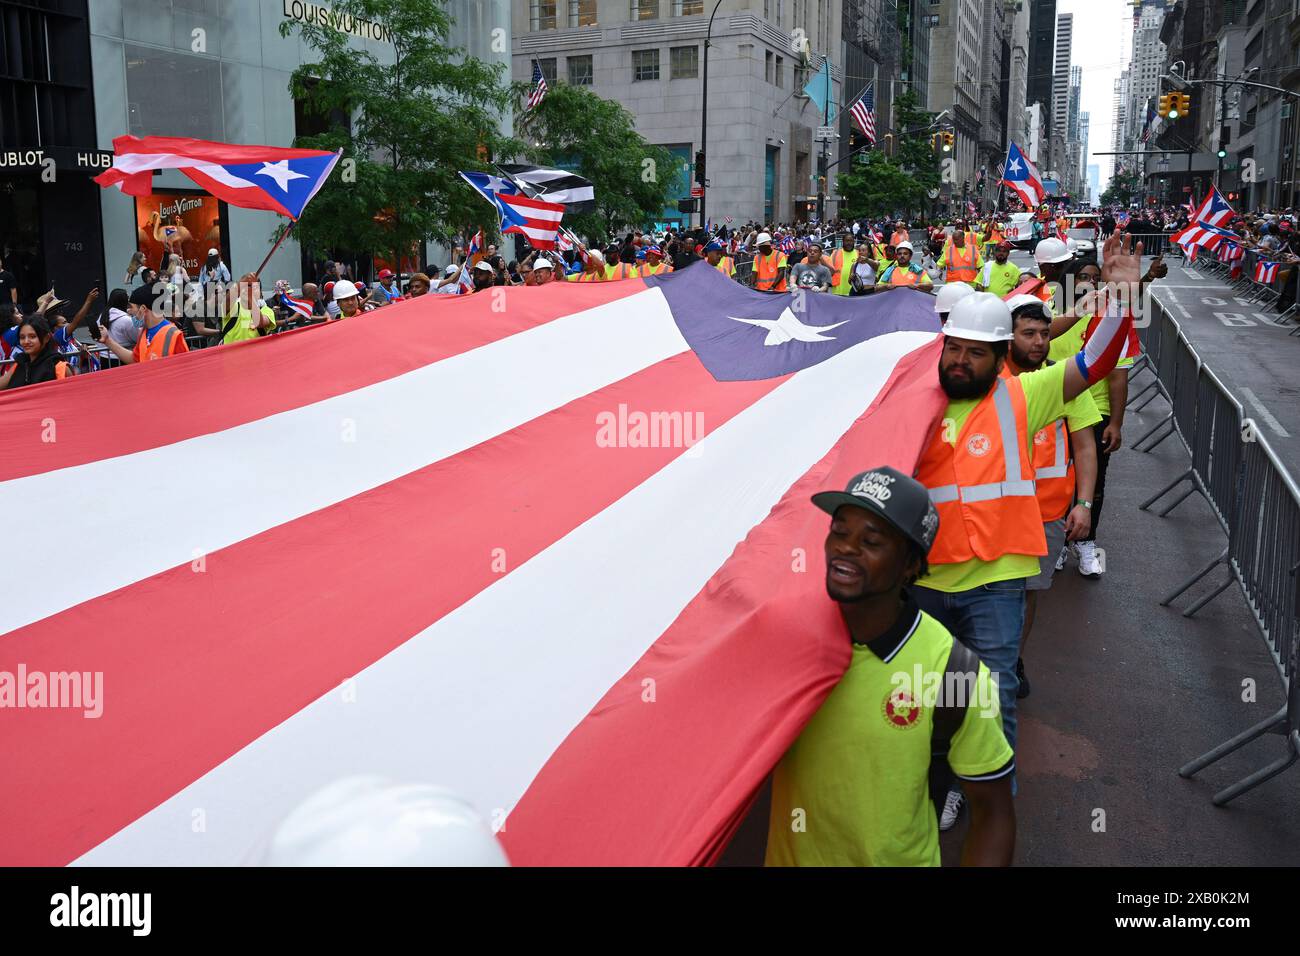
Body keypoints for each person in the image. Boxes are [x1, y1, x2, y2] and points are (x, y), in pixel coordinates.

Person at [911, 232, 1139, 832]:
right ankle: (941, 792)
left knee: (993, 697)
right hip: (926, 585)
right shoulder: (911, 400)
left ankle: (992, 806)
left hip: (997, 584)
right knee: (935, 702)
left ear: (999, 354)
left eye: (975, 352)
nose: (960, 360)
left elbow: (1098, 362)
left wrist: (1121, 293)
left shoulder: (1025, 395)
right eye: (953, 348)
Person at [765, 466, 1015, 867]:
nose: (846, 548)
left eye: (872, 540)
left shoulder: (956, 675)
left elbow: (993, 814)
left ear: (910, 566)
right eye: (840, 531)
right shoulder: (786, 639)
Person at [1002, 294, 1099, 700]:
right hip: (998, 512)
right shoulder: (989, 382)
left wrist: (1085, 503)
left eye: (1045, 333)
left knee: (1028, 594)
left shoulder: (1065, 383)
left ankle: (1013, 662)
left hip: (1047, 514)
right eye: (1029, 334)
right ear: (1007, 339)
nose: (1040, 341)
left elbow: (1085, 448)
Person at [1047, 260, 1127, 580]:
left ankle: (1088, 543)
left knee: (1093, 482)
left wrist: (1116, 423)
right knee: (1057, 479)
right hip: (1053, 406)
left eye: (1096, 278)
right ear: (1069, 280)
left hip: (1096, 409)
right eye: (1083, 277)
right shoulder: (1050, 314)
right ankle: (1061, 543)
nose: (1090, 283)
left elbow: (1119, 377)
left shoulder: (1108, 320)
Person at [98, 282, 190, 364]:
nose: (128, 311)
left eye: (131, 307)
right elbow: (134, 359)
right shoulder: (144, 332)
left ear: (143, 309)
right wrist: (107, 341)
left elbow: (186, 369)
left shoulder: (174, 335)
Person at [0, 314, 70, 389]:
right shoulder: (19, 364)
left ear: (46, 338)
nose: (26, 341)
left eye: (32, 336)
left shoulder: (60, 368)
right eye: (22, 337)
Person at [216, 274, 276, 341]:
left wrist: (250, 298)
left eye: (255, 288)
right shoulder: (233, 307)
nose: (250, 290)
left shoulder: (266, 310)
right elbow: (228, 300)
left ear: (260, 292)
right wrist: (241, 283)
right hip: (232, 351)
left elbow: (260, 322)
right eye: (247, 287)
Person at [828, 231, 857, 295]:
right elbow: (829, 269)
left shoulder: (858, 254)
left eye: (851, 241)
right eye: (847, 241)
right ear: (843, 242)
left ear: (854, 242)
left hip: (854, 291)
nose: (849, 243)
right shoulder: (835, 253)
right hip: (837, 291)